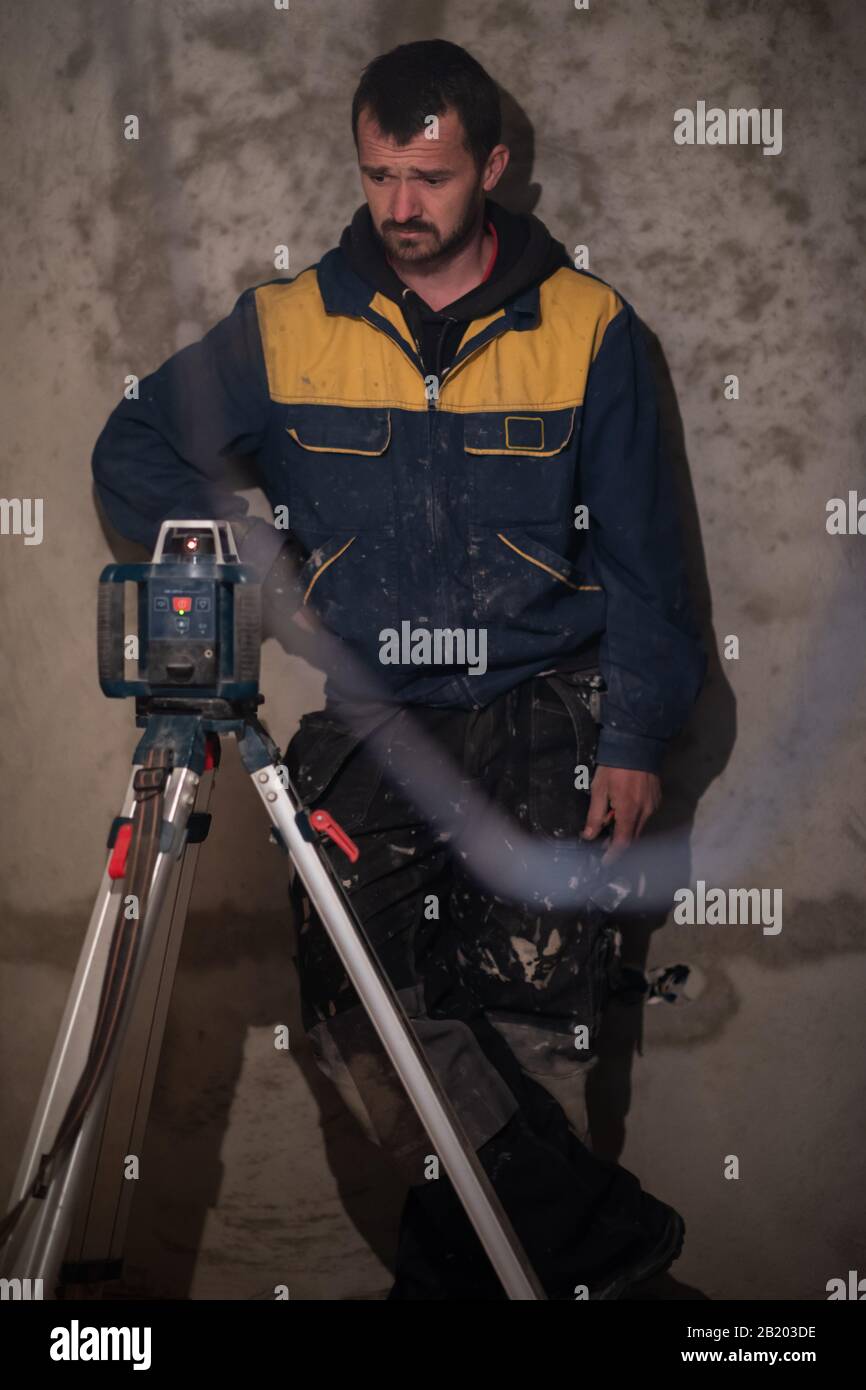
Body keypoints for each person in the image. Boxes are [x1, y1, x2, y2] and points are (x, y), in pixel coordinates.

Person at [92, 39, 707, 1300]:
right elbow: (137, 445)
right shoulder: (287, 323)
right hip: (377, 723)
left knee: (528, 1025)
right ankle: (596, 1247)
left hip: (548, 712)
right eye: (377, 175)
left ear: (491, 165)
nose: (399, 208)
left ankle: (456, 1288)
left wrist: (639, 735)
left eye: (426, 177)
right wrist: (269, 575)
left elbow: (652, 563)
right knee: (349, 1009)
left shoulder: (590, 330)